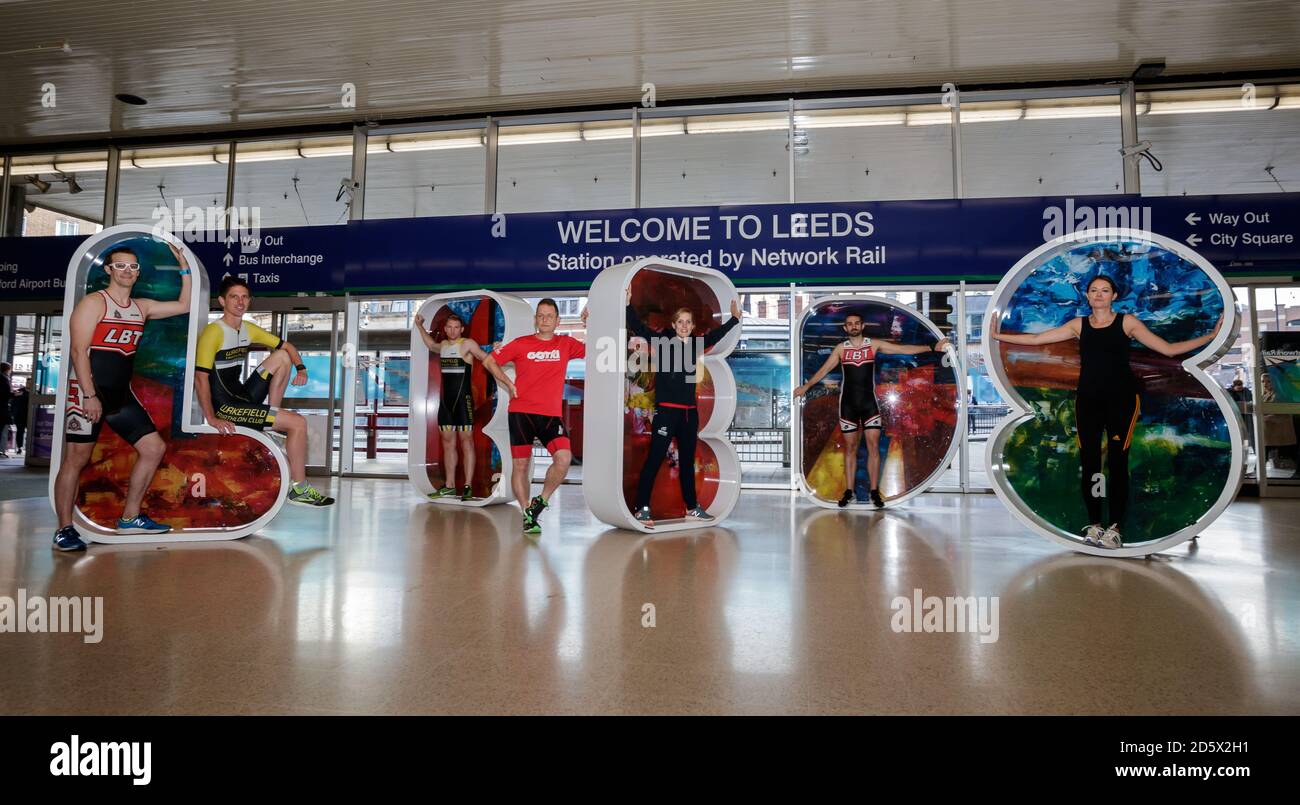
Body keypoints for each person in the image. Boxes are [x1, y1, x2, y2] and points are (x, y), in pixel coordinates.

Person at [992, 274, 1220, 549]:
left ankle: (1115, 528)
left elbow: (1168, 350)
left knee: (1117, 461)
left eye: (1105, 290)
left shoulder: (1127, 323)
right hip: (1088, 401)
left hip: (1121, 401)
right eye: (1094, 290)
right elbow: (1039, 338)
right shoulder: (1079, 325)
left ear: (1114, 296)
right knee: (1090, 462)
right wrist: (998, 336)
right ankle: (1094, 525)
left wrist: (1211, 336)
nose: (1099, 294)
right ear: (1087, 296)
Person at [51, 244, 192, 551]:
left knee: (153, 448)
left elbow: (184, 305)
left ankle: (129, 518)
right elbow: (78, 351)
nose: (127, 271)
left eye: (133, 267)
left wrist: (183, 265)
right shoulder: (94, 303)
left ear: (138, 272)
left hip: (120, 396)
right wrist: (89, 395)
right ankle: (63, 529)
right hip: (86, 393)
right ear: (108, 270)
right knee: (77, 459)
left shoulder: (142, 307)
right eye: (121, 266)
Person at [194, 276, 334, 507]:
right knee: (298, 423)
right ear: (222, 301)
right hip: (227, 406)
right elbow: (200, 378)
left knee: (282, 356)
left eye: (244, 297)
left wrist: (301, 368)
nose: (240, 302)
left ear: (249, 301)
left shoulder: (247, 329)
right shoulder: (214, 332)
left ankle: (272, 419)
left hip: (243, 396)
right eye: (234, 297)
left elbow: (288, 346)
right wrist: (211, 417)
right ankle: (299, 490)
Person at [794, 311, 950, 509]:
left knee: (873, 448)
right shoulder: (841, 349)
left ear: (862, 326)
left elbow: (902, 349)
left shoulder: (872, 345)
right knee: (850, 449)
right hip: (848, 405)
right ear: (845, 328)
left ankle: (874, 491)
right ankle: (849, 491)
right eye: (850, 323)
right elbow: (824, 370)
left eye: (856, 323)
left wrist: (931, 347)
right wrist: (806, 387)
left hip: (869, 405)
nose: (853, 326)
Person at [623, 290, 741, 527]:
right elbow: (638, 326)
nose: (684, 326)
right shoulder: (662, 343)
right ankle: (642, 509)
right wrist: (627, 305)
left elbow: (716, 335)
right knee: (654, 460)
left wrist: (735, 319)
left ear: (693, 326)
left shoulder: (696, 345)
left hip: (689, 414)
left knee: (687, 462)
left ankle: (692, 507)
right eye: (680, 322)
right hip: (666, 412)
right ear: (674, 324)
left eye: (688, 322)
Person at [480, 298, 586, 535]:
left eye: (549, 316)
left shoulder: (566, 344)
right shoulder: (521, 343)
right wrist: (508, 383)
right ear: (535, 319)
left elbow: (594, 347)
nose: (545, 319)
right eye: (540, 315)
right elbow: (489, 361)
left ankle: (541, 500)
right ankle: (526, 512)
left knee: (564, 458)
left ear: (558, 321)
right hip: (521, 413)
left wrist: (590, 323)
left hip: (550, 415)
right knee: (520, 465)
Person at [413, 311, 491, 501]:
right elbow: (431, 345)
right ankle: (449, 486)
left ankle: (467, 486)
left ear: (461, 329)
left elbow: (485, 358)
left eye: (456, 327)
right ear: (445, 329)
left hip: (464, 401)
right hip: (446, 403)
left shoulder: (467, 344)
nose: (453, 331)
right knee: (448, 443)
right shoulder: (443, 346)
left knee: (467, 442)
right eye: (449, 327)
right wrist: (420, 326)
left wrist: (500, 352)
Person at [10, 382, 29, 455]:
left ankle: (26, 447)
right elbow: (13, 402)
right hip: (20, 416)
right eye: (28, 383)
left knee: (26, 432)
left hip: (28, 415)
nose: (29, 384)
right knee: (20, 432)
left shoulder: (33, 393)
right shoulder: (20, 392)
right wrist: (13, 413)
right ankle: (20, 447)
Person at [0, 362, 12, 458]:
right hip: (2, 410)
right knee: (2, 431)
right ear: (7, 369)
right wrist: (14, 394)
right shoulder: (4, 379)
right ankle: (1, 450)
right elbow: (5, 394)